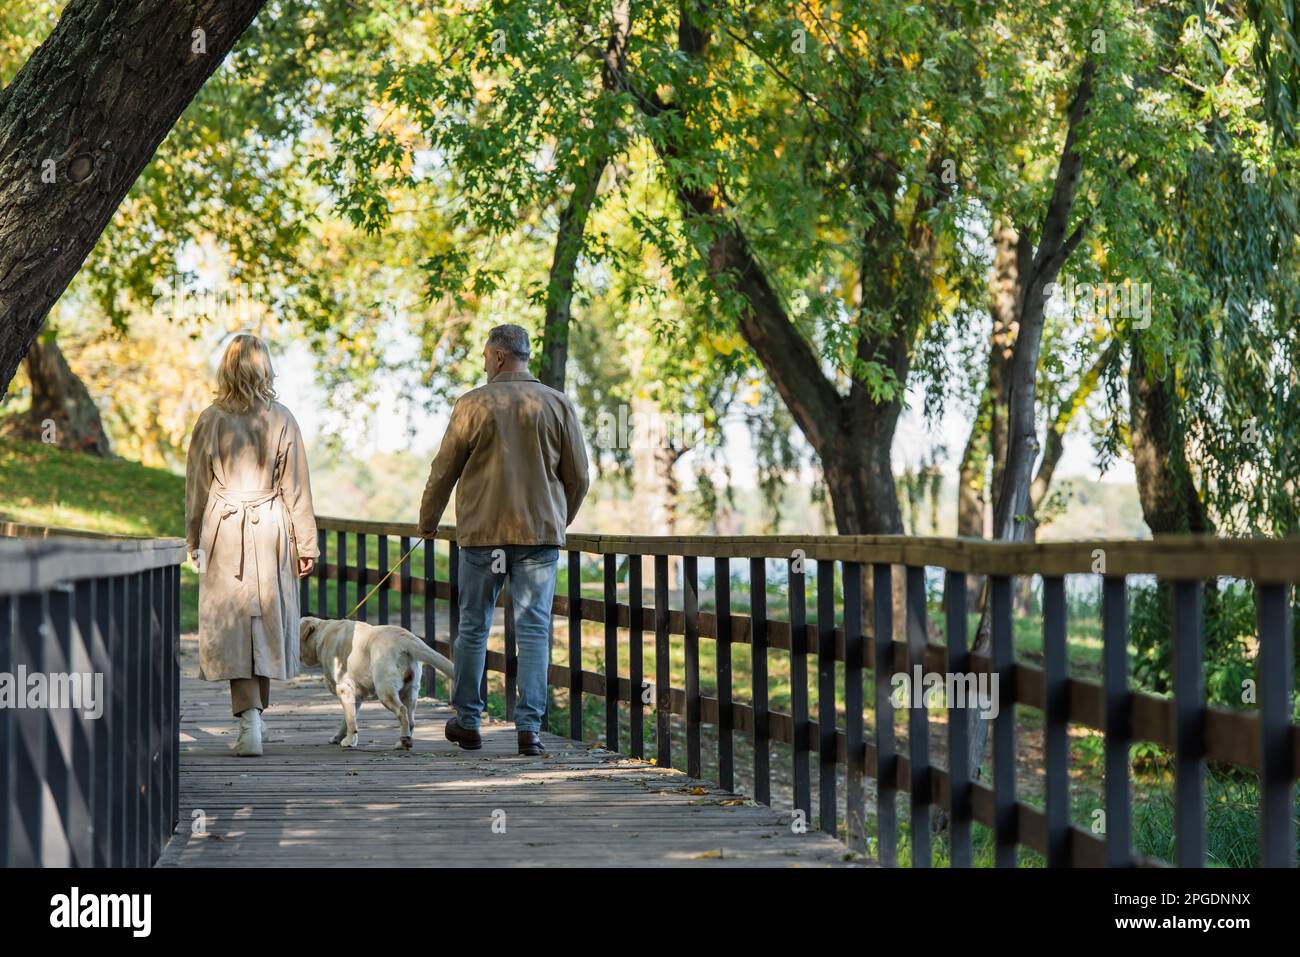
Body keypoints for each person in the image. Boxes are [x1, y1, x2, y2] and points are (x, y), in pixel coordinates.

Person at [417, 324, 589, 755]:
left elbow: (444, 471)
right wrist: (557, 520)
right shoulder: (557, 403)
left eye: (483, 357)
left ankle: (469, 722)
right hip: (539, 536)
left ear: (497, 357)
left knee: (474, 627)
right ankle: (529, 730)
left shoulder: (472, 404)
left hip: (482, 536)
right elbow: (579, 477)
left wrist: (428, 520)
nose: (484, 364)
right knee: (533, 630)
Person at [185, 332, 318, 757]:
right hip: (270, 529)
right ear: (265, 368)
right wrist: (306, 544)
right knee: (259, 618)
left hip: (222, 530)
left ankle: (250, 720)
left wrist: (194, 538)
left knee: (235, 623)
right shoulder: (281, 418)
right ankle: (253, 718)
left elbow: (197, 487)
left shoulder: (211, 419)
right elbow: (296, 487)